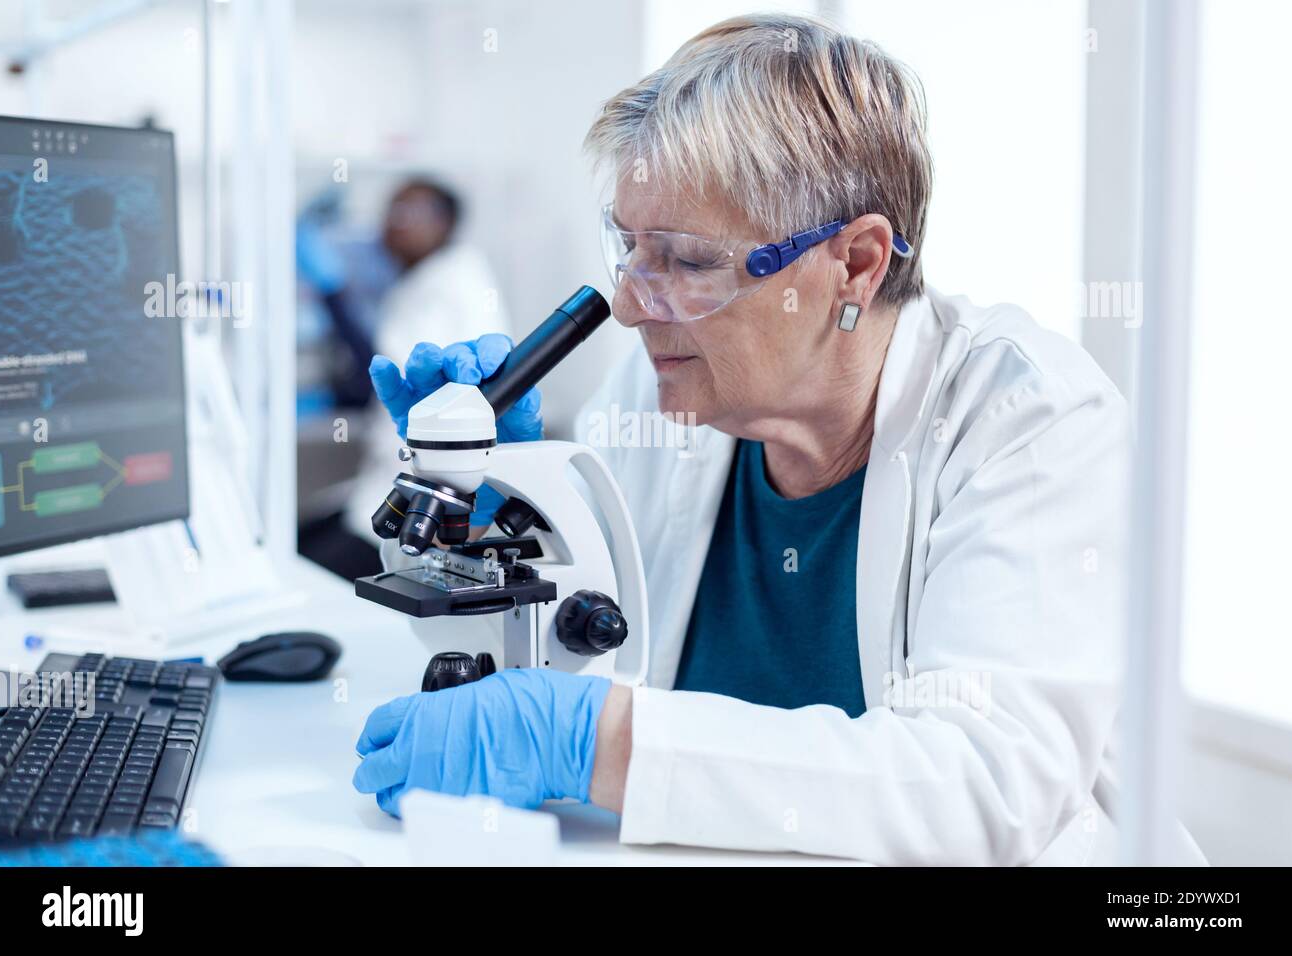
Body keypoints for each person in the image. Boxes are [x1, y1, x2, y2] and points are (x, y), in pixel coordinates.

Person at [351, 14, 1204, 864]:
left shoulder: (1028, 418)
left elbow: (984, 786)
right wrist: (515, 504)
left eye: (688, 261)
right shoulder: (658, 396)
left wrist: (596, 743)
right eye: (630, 246)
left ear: (858, 264)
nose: (632, 304)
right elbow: (575, 653)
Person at [296, 179, 511, 579]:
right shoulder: (435, 279)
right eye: (391, 210)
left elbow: (372, 378)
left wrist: (333, 293)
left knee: (306, 568)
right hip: (393, 483)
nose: (393, 224)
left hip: (420, 499)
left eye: (409, 213)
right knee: (301, 543)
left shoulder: (444, 289)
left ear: (444, 223)